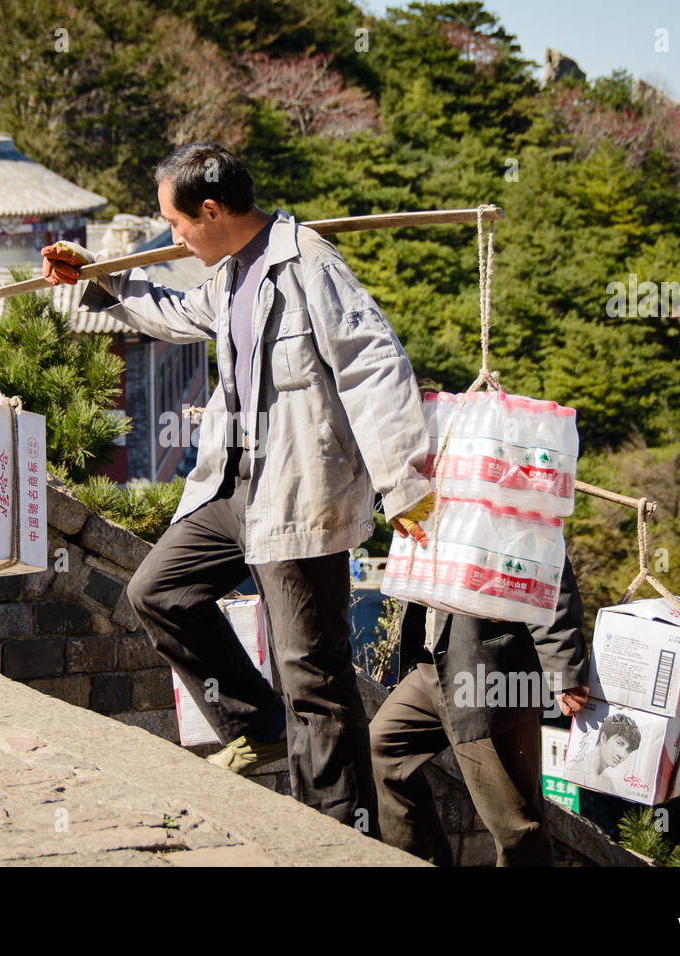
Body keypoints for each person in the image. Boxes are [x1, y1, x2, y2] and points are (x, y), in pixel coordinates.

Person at [42, 142, 435, 832]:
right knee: (158, 591)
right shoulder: (228, 276)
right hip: (235, 485)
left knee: (312, 672)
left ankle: (341, 831)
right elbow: (177, 316)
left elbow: (372, 362)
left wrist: (405, 484)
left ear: (214, 209)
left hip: (300, 491)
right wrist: (98, 279)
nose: (174, 237)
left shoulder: (308, 264)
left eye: (177, 223)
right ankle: (255, 723)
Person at [368, 557, 590, 865]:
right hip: (434, 663)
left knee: (517, 828)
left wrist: (564, 669)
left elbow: (547, 566)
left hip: (491, 673)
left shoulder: (515, 507)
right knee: (383, 748)